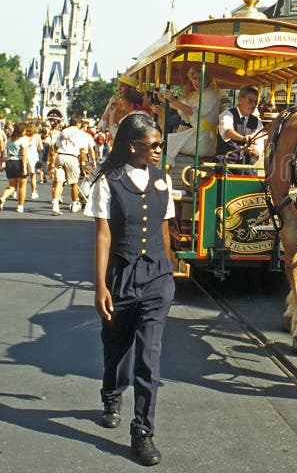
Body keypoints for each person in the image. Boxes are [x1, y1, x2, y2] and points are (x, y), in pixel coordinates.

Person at [84, 113, 175, 467]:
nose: (158, 150)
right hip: (121, 276)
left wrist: (168, 272)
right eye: (153, 145)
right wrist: (100, 286)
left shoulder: (163, 180)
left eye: (160, 144)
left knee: (148, 357)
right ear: (132, 145)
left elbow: (165, 229)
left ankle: (143, 432)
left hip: (156, 278)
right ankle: (111, 394)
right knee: (116, 344)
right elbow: (103, 234)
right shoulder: (108, 181)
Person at [161, 64, 220, 164]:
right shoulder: (196, 95)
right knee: (164, 139)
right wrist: (163, 99)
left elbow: (194, 111)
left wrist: (174, 101)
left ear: (207, 80)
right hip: (196, 133)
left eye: (200, 78)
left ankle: (164, 169)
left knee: (166, 140)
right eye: (194, 78)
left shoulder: (211, 95)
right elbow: (182, 108)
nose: (197, 82)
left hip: (205, 137)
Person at [216, 85, 264, 173]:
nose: (253, 105)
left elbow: (259, 147)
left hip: (246, 166)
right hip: (226, 164)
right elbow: (227, 132)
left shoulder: (258, 123)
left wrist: (255, 151)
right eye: (250, 101)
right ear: (240, 100)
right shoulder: (227, 115)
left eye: (255, 102)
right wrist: (243, 139)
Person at [51, 117, 87, 215]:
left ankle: (55, 205)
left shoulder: (63, 131)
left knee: (59, 182)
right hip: (72, 157)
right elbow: (82, 150)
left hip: (60, 155)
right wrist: (82, 164)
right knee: (74, 183)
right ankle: (75, 204)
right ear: (78, 123)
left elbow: (55, 145)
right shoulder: (80, 133)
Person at [1, 122, 28, 213]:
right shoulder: (23, 139)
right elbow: (23, 154)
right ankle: (20, 205)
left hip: (9, 162)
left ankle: (3, 197)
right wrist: (24, 167)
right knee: (22, 186)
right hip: (19, 162)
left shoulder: (9, 139)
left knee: (12, 186)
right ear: (22, 131)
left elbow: (4, 152)